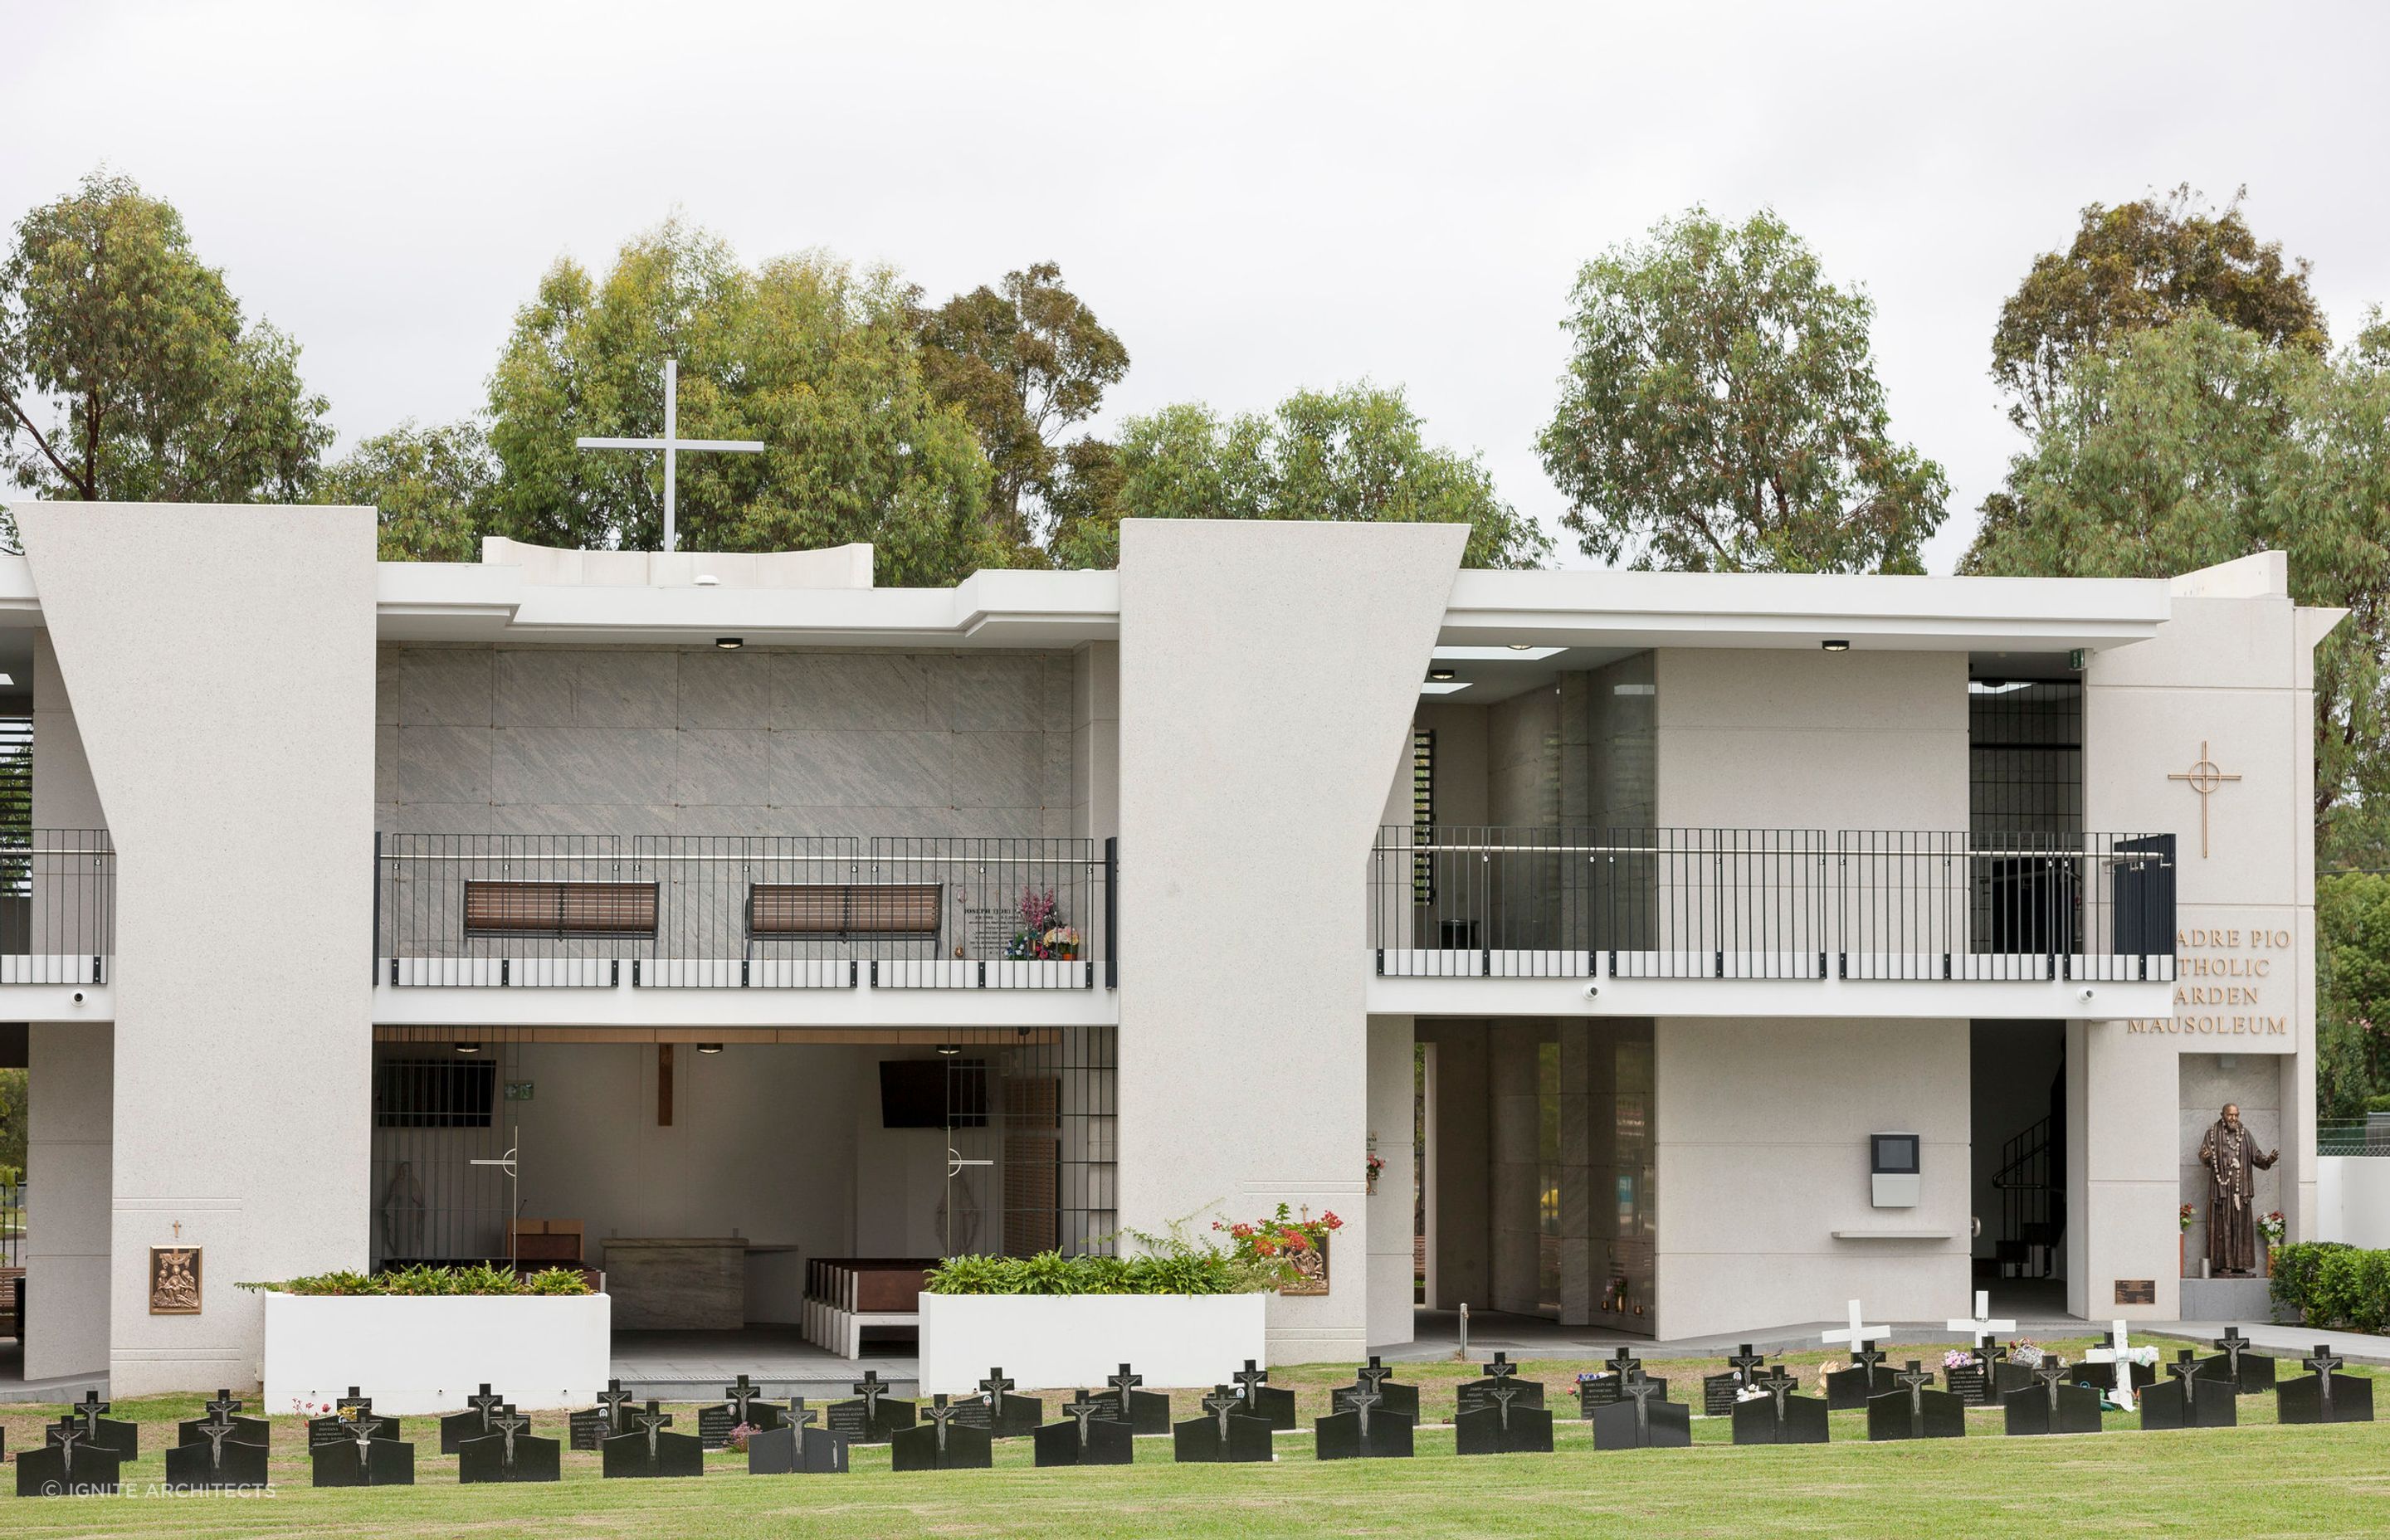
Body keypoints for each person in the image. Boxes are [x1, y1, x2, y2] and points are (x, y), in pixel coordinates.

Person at [2197, 1103, 2279, 1276]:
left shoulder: (2245, 1134)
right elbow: (2205, 1156)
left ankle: (2240, 1264)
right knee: (2223, 1227)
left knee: (2241, 1227)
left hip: (2241, 1191)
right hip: (2221, 1191)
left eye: (2236, 1115)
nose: (2234, 1118)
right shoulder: (2212, 1134)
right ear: (2223, 1115)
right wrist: (2205, 1157)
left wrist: (2268, 1160)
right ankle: (2224, 1264)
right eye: (2230, 1115)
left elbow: (2256, 1156)